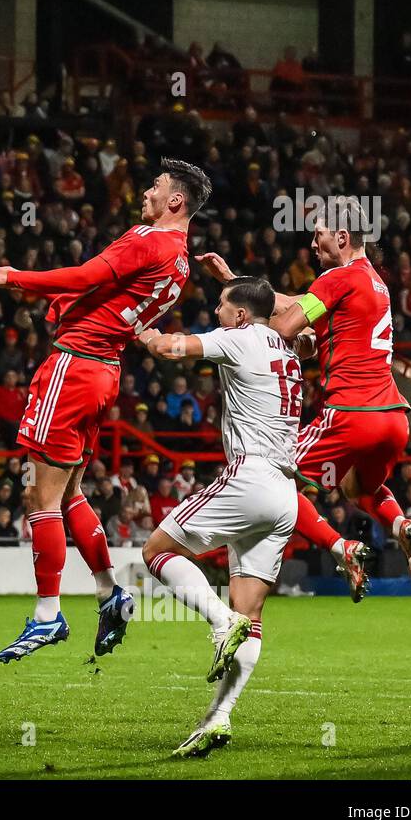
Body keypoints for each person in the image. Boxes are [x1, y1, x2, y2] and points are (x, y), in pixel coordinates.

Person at [0, 158, 211, 662]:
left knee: (39, 497)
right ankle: (108, 591)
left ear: (175, 200)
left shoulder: (148, 240)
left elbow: (83, 274)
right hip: (104, 372)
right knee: (70, 492)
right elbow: (108, 295)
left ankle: (47, 615)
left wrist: (5, 275)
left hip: (74, 368)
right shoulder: (179, 260)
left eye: (155, 185)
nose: (147, 190)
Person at [198, 195, 411, 602]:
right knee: (358, 486)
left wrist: (240, 299)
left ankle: (342, 549)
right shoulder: (372, 280)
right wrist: (233, 282)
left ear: (342, 237)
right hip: (393, 418)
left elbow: (285, 326)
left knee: (276, 481)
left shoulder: (337, 278)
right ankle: (401, 526)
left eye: (319, 233)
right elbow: (292, 306)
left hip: (350, 414)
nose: (311, 243)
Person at [136, 277, 299, 757]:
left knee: (157, 551)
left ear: (242, 316)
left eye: (221, 309)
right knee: (252, 612)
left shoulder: (241, 337)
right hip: (285, 492)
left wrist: (139, 326)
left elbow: (168, 348)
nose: (216, 316)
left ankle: (218, 620)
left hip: (249, 477)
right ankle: (218, 718)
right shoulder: (285, 350)